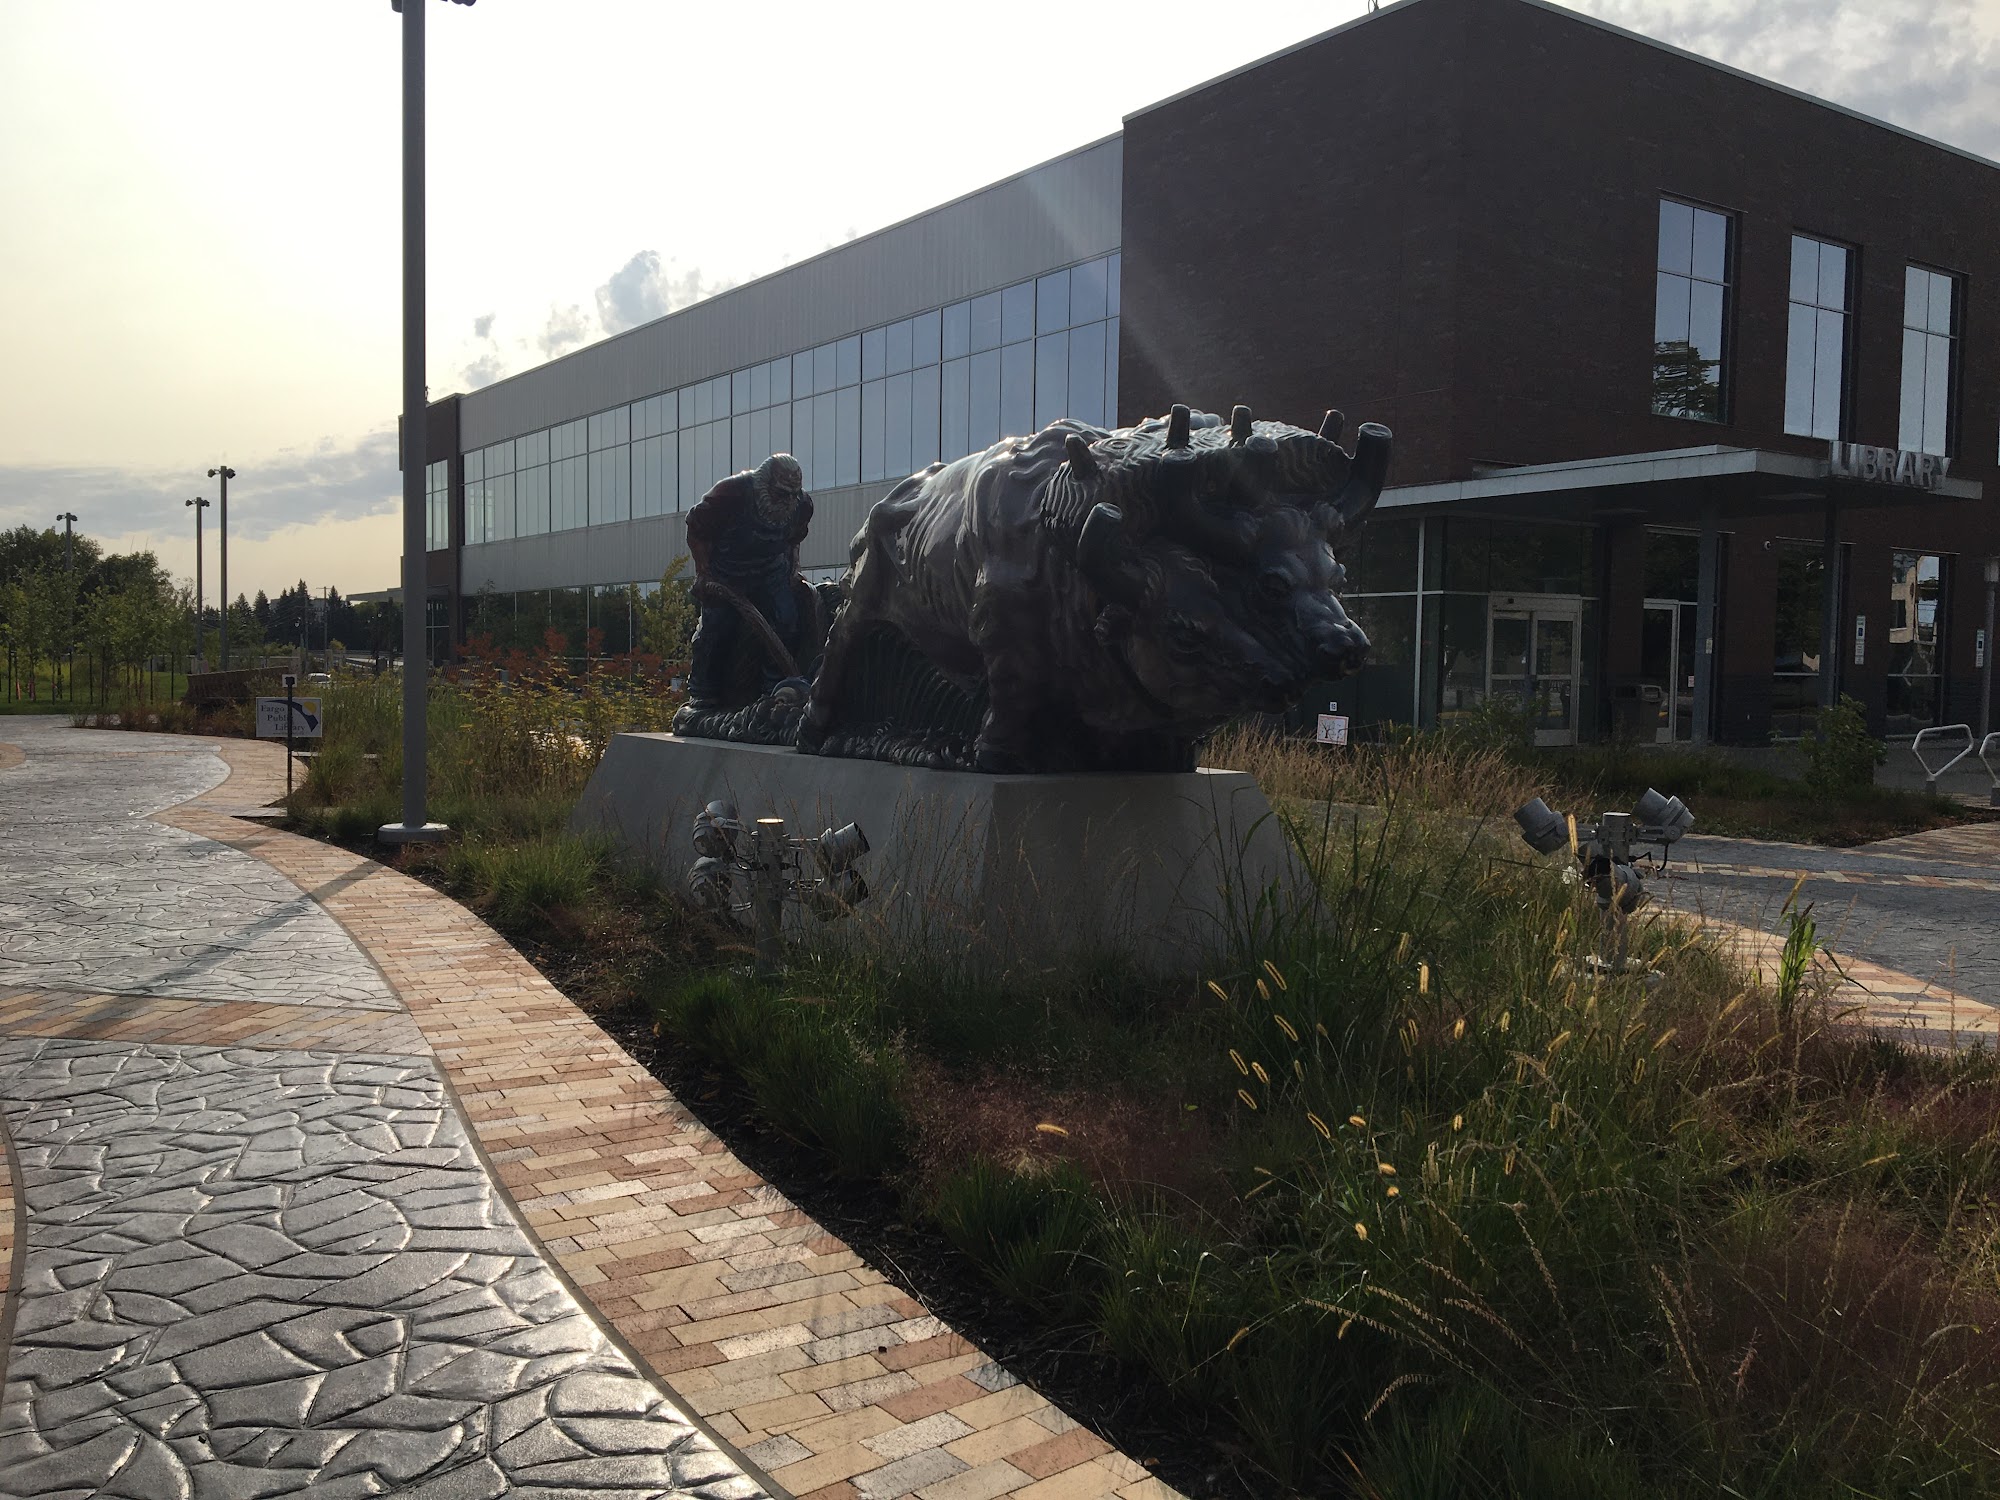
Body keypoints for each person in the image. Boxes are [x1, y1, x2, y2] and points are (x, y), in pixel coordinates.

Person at [684, 453, 813, 707]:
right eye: (782, 493)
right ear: (764, 484)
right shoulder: (730, 493)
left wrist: (793, 568)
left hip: (771, 572)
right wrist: (703, 572)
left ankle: (773, 690)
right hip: (727, 574)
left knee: (787, 622)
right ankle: (702, 693)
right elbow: (696, 530)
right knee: (715, 630)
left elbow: (794, 539)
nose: (789, 501)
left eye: (794, 494)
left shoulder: (802, 505)